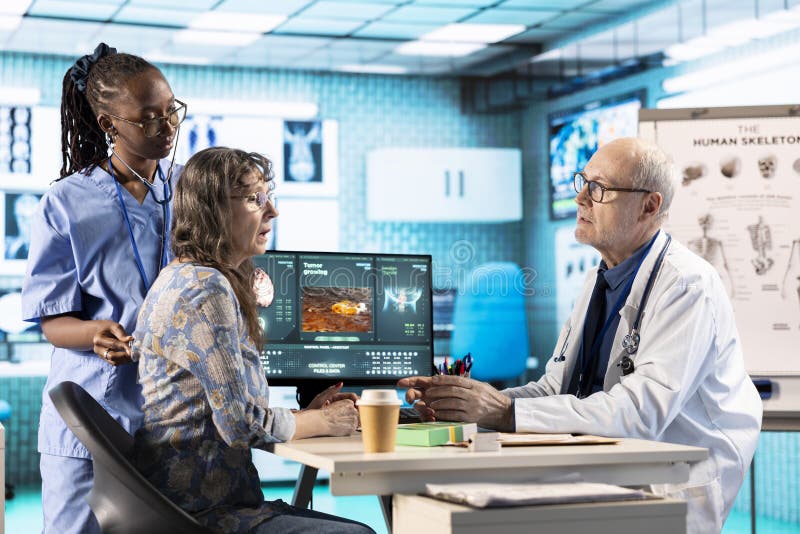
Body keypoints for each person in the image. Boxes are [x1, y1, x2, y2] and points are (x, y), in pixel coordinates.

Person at [400, 137, 762, 534]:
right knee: (432, 503)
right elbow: (557, 388)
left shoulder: (688, 286)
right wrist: (467, 399)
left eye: (600, 188)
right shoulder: (599, 279)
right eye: (583, 183)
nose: (581, 199)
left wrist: (503, 411)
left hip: (672, 477)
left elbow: (641, 414)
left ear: (649, 205)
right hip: (609, 463)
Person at [132, 147, 374, 534]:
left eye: (268, 197)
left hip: (187, 505)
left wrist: (305, 416)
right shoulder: (206, 289)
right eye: (254, 199)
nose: (272, 212)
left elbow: (222, 415)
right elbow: (240, 425)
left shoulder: (180, 275)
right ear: (212, 210)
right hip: (204, 515)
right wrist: (321, 420)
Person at [21, 43, 185, 534]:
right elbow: (53, 322)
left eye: (172, 110)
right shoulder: (67, 203)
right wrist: (94, 332)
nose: (167, 126)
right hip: (92, 410)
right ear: (110, 125)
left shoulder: (192, 189)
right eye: (148, 117)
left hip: (173, 411)